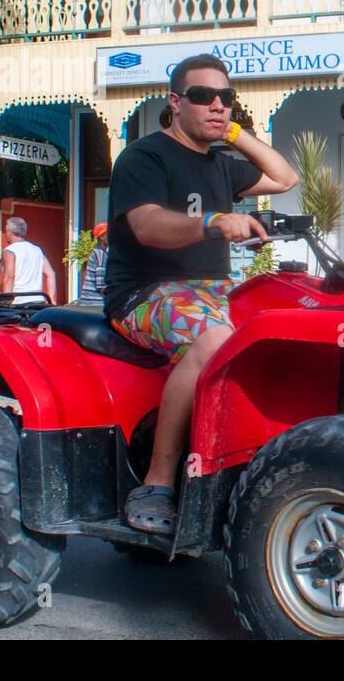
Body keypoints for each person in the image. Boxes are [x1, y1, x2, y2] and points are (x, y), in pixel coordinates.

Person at [105, 53, 299, 533]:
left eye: (225, 98)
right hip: (147, 293)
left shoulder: (221, 163)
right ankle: (157, 482)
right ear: (175, 102)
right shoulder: (144, 156)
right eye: (202, 96)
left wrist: (231, 132)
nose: (217, 105)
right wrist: (212, 222)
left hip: (214, 292)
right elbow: (148, 227)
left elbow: (285, 178)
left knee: (289, 329)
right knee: (213, 338)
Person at [1, 216, 57, 305]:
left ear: (10, 232)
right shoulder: (37, 250)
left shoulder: (10, 251)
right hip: (38, 300)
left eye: (6, 231)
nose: (5, 234)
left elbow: (9, 277)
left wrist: (5, 302)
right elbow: (51, 273)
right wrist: (51, 299)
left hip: (19, 302)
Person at [76, 222, 108, 306]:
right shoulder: (100, 255)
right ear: (101, 237)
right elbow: (100, 286)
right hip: (94, 303)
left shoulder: (98, 252)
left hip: (89, 302)